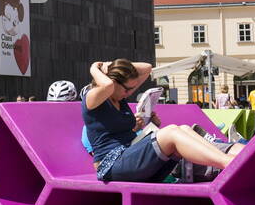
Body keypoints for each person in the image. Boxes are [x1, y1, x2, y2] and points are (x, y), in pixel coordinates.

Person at [83, 59, 244, 183]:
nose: (129, 93)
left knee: (185, 129)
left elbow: (146, 68)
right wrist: (95, 67)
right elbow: (109, 84)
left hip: (131, 157)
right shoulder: (92, 97)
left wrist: (113, 65)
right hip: (111, 165)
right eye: (127, 89)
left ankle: (241, 157)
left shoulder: (119, 97)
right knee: (171, 132)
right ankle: (228, 164)